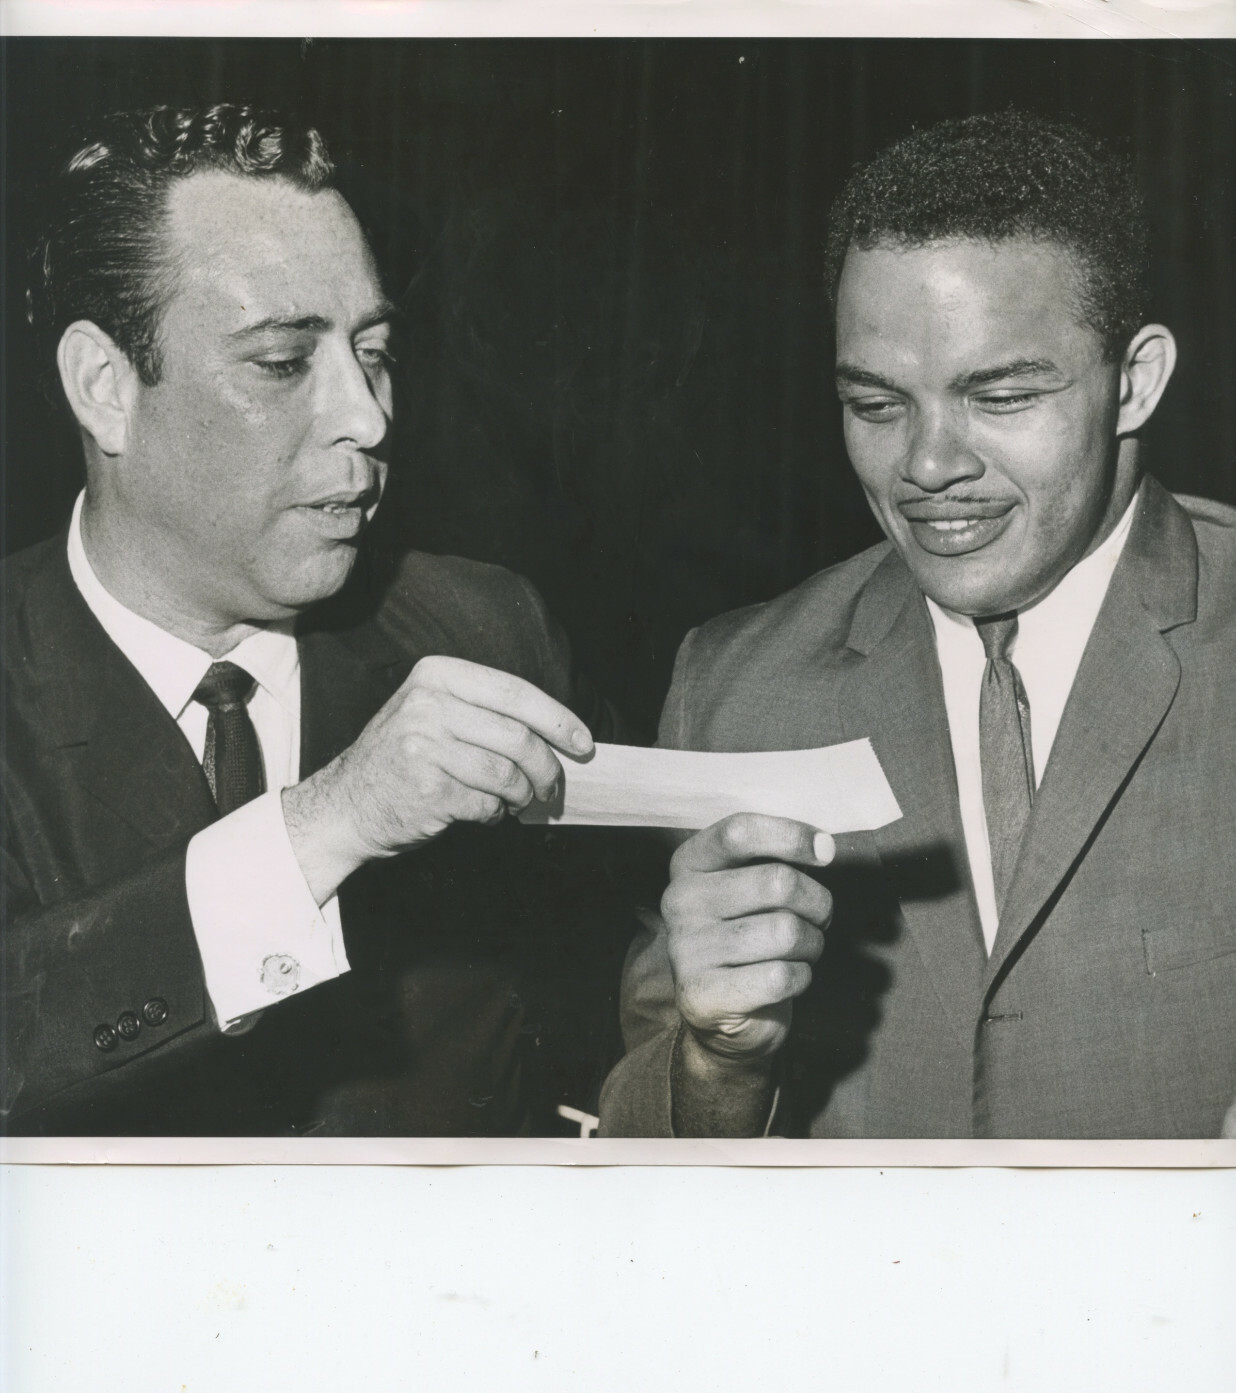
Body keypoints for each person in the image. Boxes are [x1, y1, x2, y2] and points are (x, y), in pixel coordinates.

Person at [599, 110, 1236, 1140]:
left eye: (1001, 394)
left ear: (1137, 380)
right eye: (878, 405)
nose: (929, 465)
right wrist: (718, 1063)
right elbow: (639, 1138)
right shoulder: (732, 686)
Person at [2, 103, 625, 1137]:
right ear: (104, 388)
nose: (369, 419)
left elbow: (586, 1021)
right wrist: (323, 826)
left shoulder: (483, 627)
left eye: (373, 352)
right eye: (284, 362)